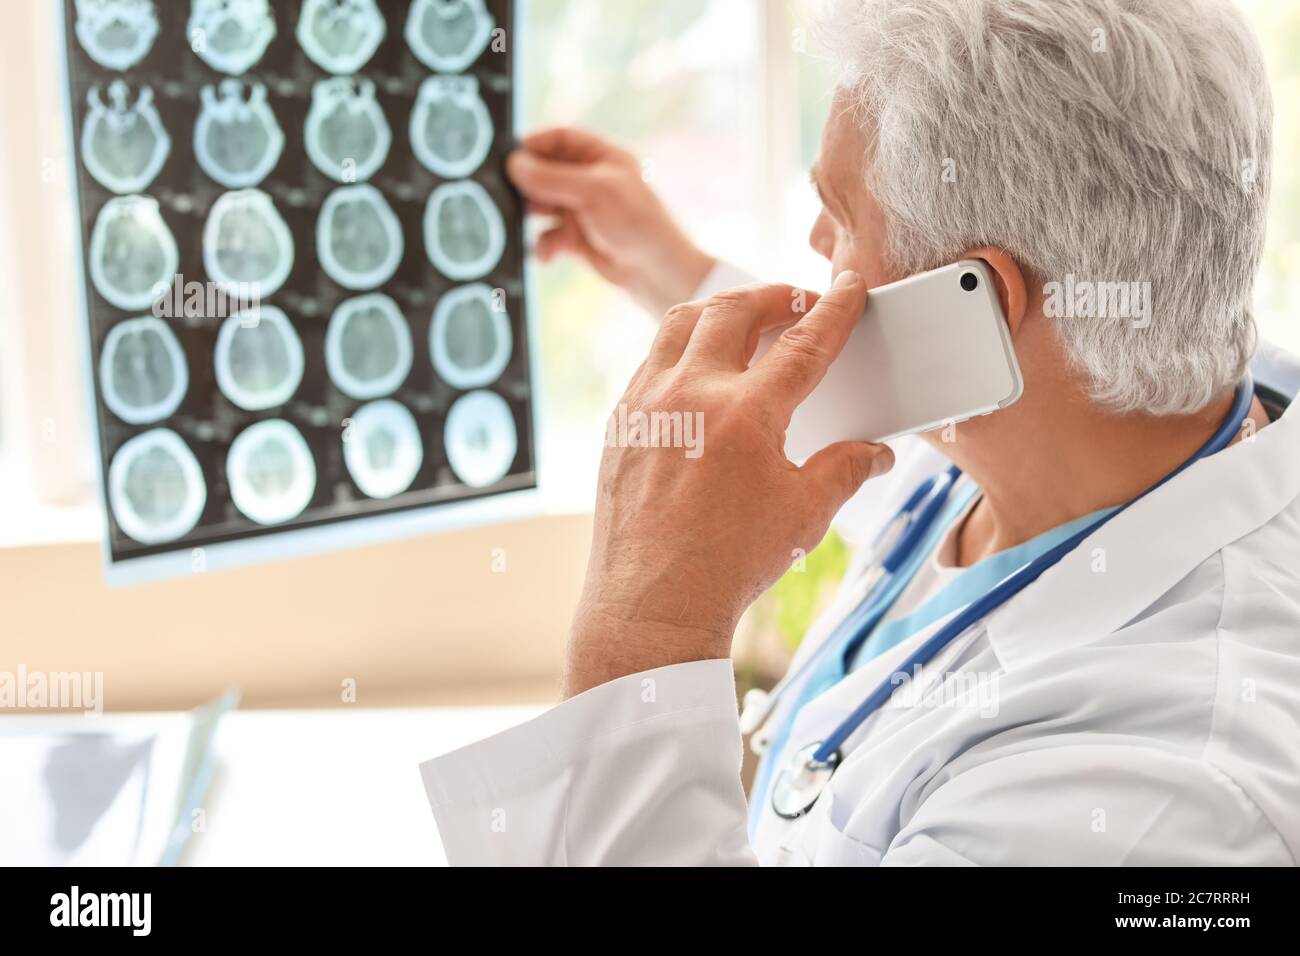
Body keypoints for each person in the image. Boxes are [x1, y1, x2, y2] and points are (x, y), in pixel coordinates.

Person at [421, 0, 1300, 865]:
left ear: (980, 311)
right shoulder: (1113, 418)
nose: (813, 238)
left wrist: (641, 638)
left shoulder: (1155, 794)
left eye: (838, 215)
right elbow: (890, 471)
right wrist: (671, 268)